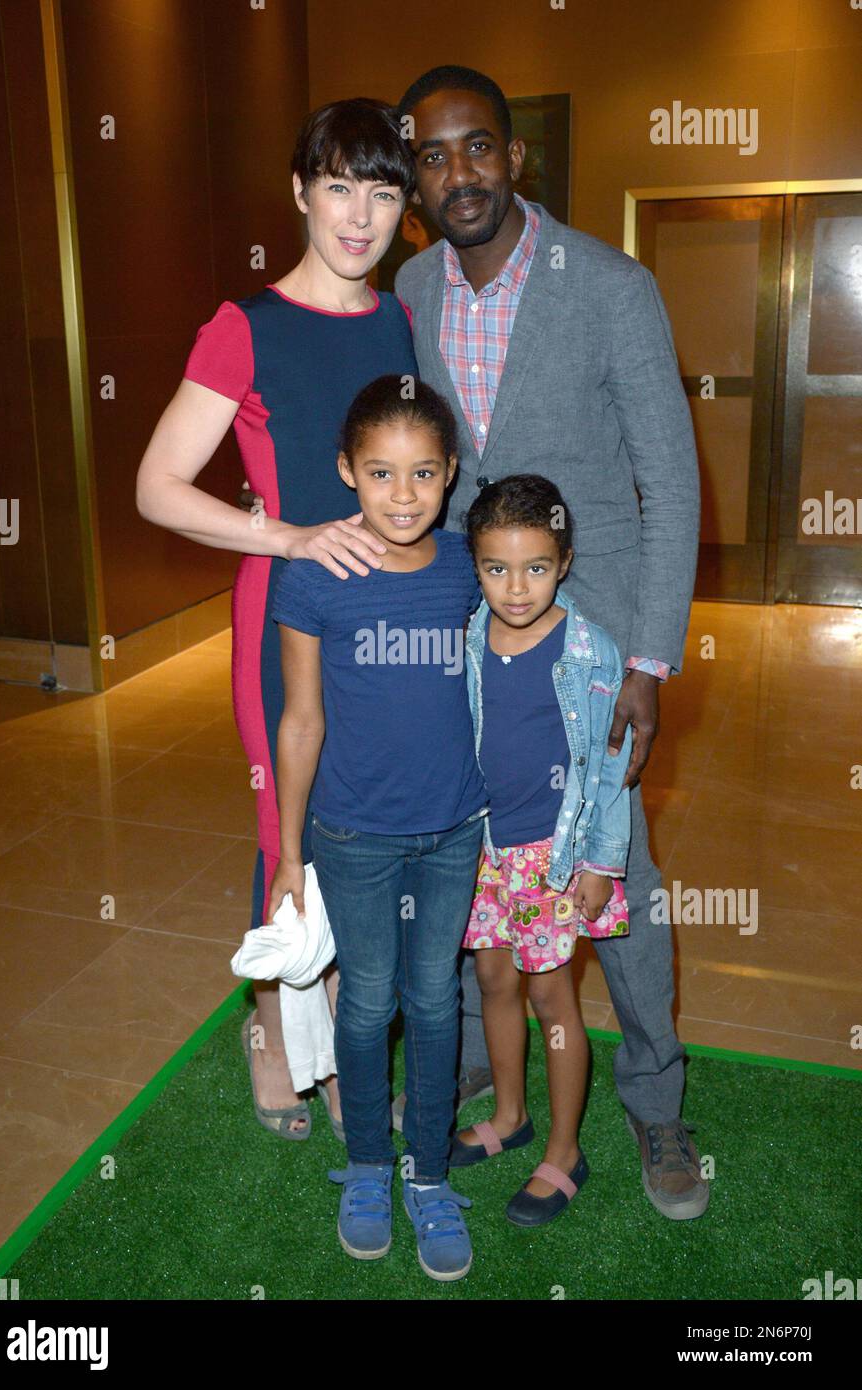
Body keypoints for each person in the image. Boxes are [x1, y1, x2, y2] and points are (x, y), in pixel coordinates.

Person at [393, 65, 708, 1218]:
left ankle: (654, 1095)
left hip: (595, 629)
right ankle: (495, 1065)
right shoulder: (413, 287)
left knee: (609, 863)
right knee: (475, 844)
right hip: (469, 634)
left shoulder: (610, 286)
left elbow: (669, 483)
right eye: (431, 154)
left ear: (514, 159)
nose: (457, 172)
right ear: (413, 177)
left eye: (478, 147)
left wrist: (648, 657)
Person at [136, 99, 417, 1139]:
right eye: (337, 186)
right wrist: (290, 535)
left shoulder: (397, 321)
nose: (358, 215)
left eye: (381, 191)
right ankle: (271, 1029)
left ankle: (343, 1041)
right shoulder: (241, 326)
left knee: (365, 830)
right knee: (286, 829)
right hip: (285, 613)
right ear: (299, 192)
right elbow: (158, 486)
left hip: (389, 619)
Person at [268, 375, 486, 1282]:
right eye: (382, 473)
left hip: (452, 831)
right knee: (366, 1003)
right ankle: (366, 1166)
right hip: (351, 834)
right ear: (346, 473)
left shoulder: (470, 566)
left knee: (434, 1000)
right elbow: (301, 718)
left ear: (450, 477)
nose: (403, 496)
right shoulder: (313, 574)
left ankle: (427, 1176)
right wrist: (287, 851)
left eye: (425, 473)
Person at [450, 474, 631, 1227]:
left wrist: (601, 863)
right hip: (486, 852)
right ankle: (512, 1115)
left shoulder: (591, 650)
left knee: (552, 998)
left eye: (533, 567)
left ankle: (563, 1151)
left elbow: (611, 765)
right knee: (492, 982)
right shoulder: (466, 636)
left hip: (555, 860)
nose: (514, 588)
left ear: (563, 560)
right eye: (495, 568)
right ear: (475, 567)